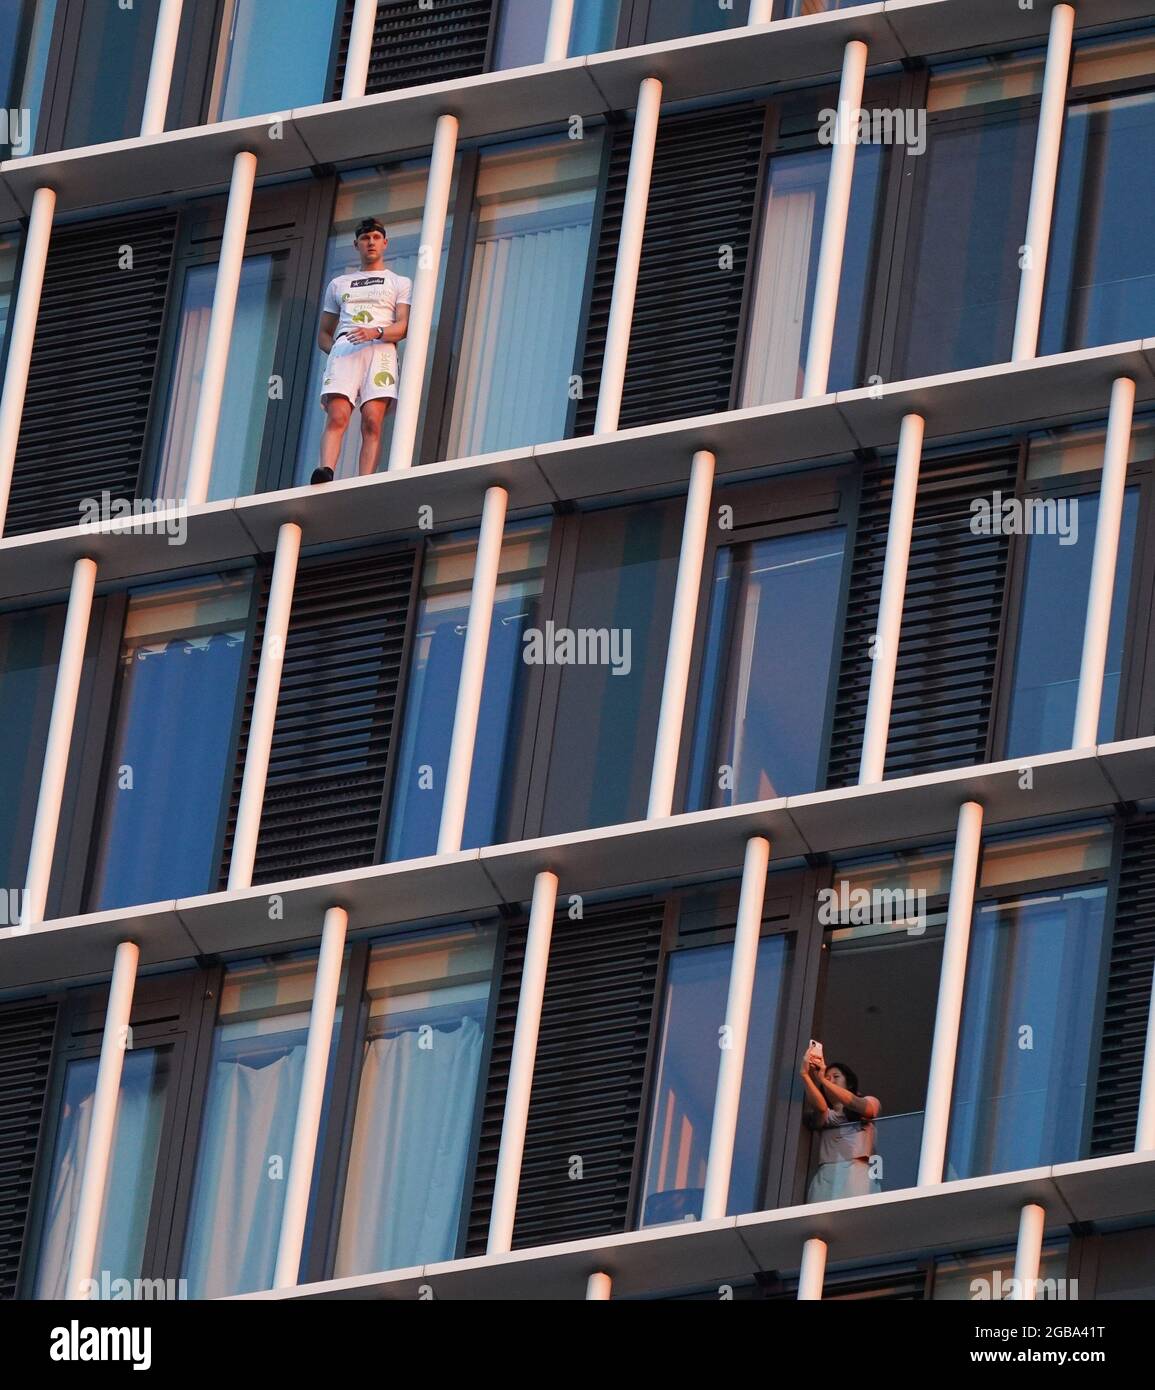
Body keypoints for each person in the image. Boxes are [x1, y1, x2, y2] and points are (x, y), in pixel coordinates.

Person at [310, 217, 411, 484]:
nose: (371, 243)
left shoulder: (399, 282)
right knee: (338, 414)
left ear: (385, 243)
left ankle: (365, 479)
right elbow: (323, 333)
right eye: (365, 239)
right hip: (346, 349)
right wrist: (336, 351)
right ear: (357, 244)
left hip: (380, 350)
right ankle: (326, 471)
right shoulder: (339, 284)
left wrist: (375, 332)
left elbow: (402, 327)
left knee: (372, 419)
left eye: (376, 238)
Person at [799, 1048, 882, 1202]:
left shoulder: (870, 1101)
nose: (830, 1080)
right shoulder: (828, 1115)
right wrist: (805, 1075)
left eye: (836, 1077)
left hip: (858, 1172)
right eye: (827, 1078)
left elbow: (861, 1106)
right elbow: (821, 1108)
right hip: (827, 1176)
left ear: (849, 1083)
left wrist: (823, 1079)